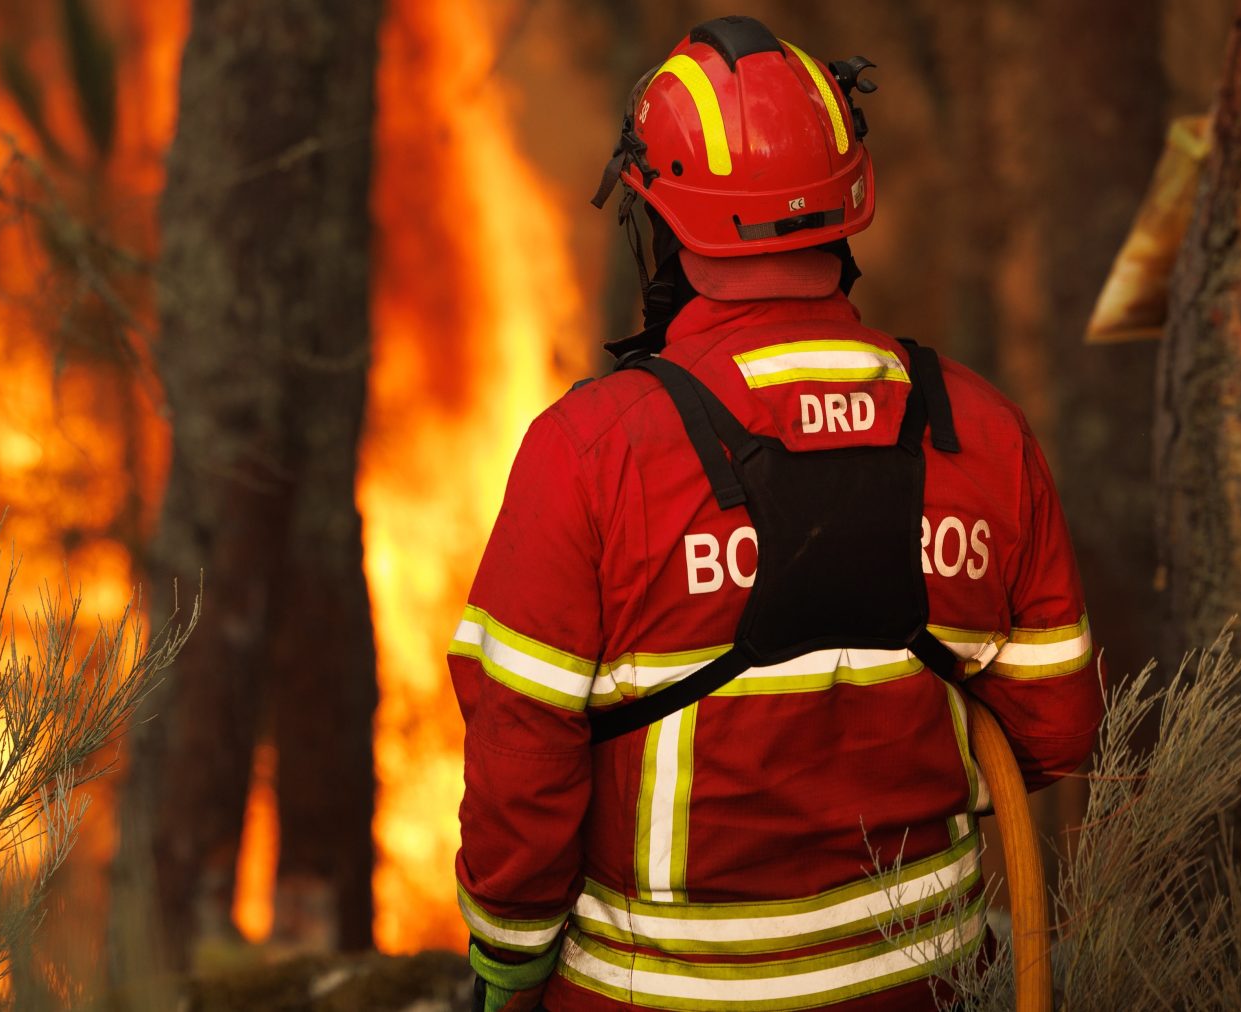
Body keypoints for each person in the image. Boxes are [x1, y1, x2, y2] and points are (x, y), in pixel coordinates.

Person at [450, 15, 1102, 1011]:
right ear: (851, 206)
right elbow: (1056, 733)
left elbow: (519, 757)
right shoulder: (979, 432)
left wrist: (508, 962)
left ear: (658, 223)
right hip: (928, 988)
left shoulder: (591, 451)